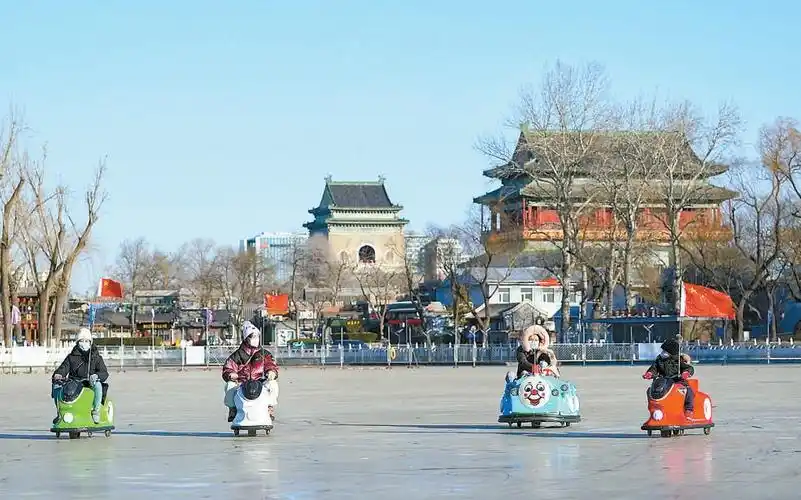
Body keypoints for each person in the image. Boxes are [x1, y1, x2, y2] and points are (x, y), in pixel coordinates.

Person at [222, 321, 280, 422]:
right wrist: (230, 374)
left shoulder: (264, 354)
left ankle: (269, 408)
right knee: (229, 385)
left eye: (257, 336)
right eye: (252, 336)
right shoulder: (237, 355)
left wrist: (271, 372)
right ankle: (233, 409)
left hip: (259, 383)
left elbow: (270, 364)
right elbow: (228, 367)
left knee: (272, 384)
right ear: (246, 338)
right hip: (241, 383)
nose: (255, 339)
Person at [52, 328, 109, 424]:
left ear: (90, 342)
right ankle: (60, 412)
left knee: (98, 386)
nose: (84, 343)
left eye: (87, 341)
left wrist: (96, 376)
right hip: (74, 381)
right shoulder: (71, 357)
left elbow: (104, 373)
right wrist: (58, 374)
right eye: (82, 341)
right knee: (57, 386)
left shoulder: (96, 357)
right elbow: (64, 367)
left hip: (90, 381)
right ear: (78, 342)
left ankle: (95, 411)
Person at [642, 337, 695, 418]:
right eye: (662, 351)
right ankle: (654, 409)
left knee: (688, 390)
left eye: (665, 351)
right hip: (663, 381)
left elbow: (688, 368)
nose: (662, 353)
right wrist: (650, 373)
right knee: (650, 391)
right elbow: (654, 368)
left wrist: (686, 373)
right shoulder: (659, 360)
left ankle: (689, 409)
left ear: (671, 352)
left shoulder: (678, 360)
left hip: (677, 380)